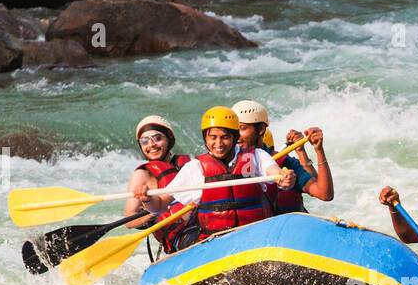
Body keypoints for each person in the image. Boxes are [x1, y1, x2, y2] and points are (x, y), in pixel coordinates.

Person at [129, 106, 294, 253]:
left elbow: (276, 174)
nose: (218, 143)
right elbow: (159, 205)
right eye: (212, 137)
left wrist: (284, 179)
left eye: (225, 137)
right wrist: (147, 199)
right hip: (217, 245)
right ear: (205, 139)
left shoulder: (256, 156)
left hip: (257, 237)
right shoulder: (196, 167)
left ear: (235, 136)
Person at [231, 100, 334, 214]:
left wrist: (319, 150)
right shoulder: (226, 163)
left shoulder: (285, 163)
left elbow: (325, 194)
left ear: (260, 129)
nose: (236, 136)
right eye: (233, 130)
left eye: (242, 128)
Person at [122, 115, 193, 253]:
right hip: (178, 240)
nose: (151, 145)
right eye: (145, 141)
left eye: (158, 138)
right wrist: (152, 213)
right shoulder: (142, 175)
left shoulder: (187, 164)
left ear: (169, 140)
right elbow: (129, 220)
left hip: (201, 226)